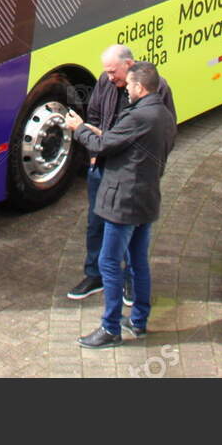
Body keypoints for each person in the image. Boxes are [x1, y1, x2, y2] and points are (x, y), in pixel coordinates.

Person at [66, 61, 176, 347]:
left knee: (109, 262)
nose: (126, 90)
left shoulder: (139, 117)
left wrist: (79, 128)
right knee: (138, 262)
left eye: (129, 86)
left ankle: (110, 328)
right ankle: (138, 321)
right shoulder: (163, 114)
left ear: (140, 87)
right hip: (146, 199)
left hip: (122, 202)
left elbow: (103, 145)